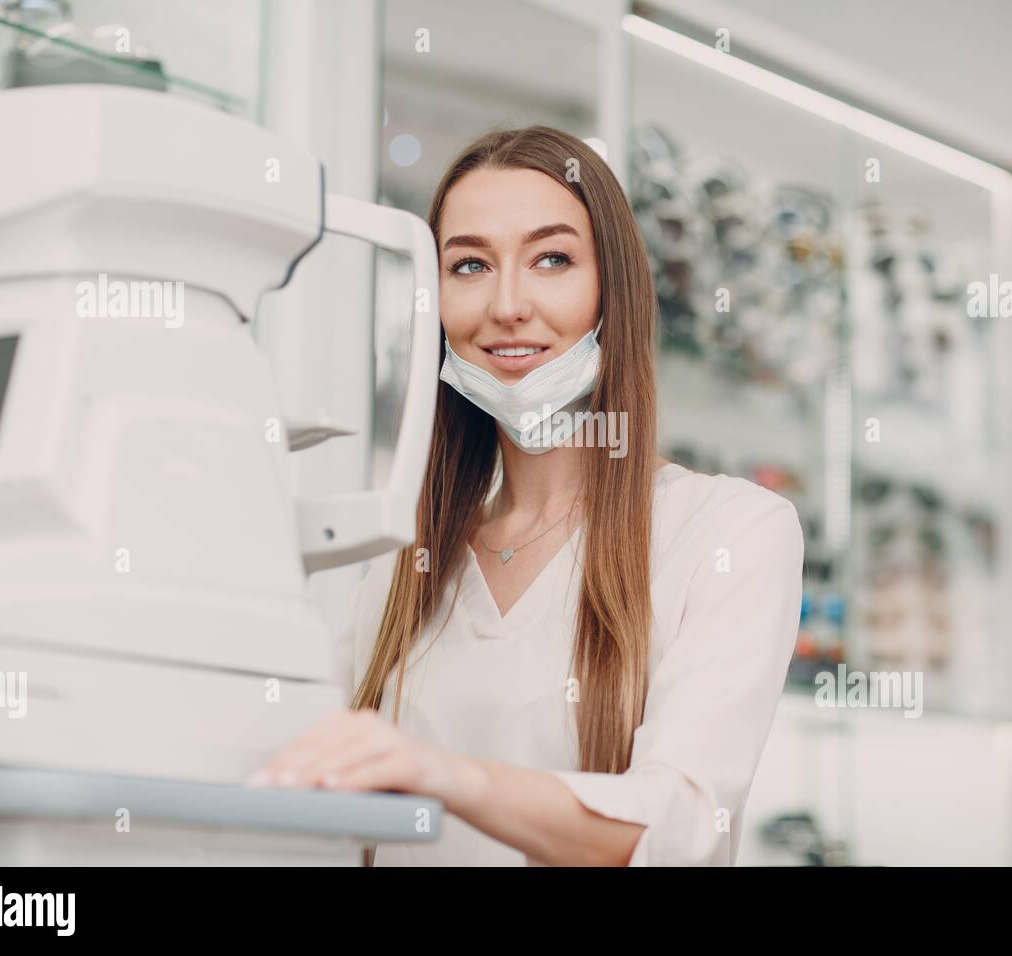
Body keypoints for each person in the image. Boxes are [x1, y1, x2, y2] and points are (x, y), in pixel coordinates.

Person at [251, 126, 804, 866]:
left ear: (613, 290)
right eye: (471, 265)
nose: (507, 305)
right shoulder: (404, 564)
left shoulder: (729, 532)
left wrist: (443, 776)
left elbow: (677, 827)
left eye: (552, 259)